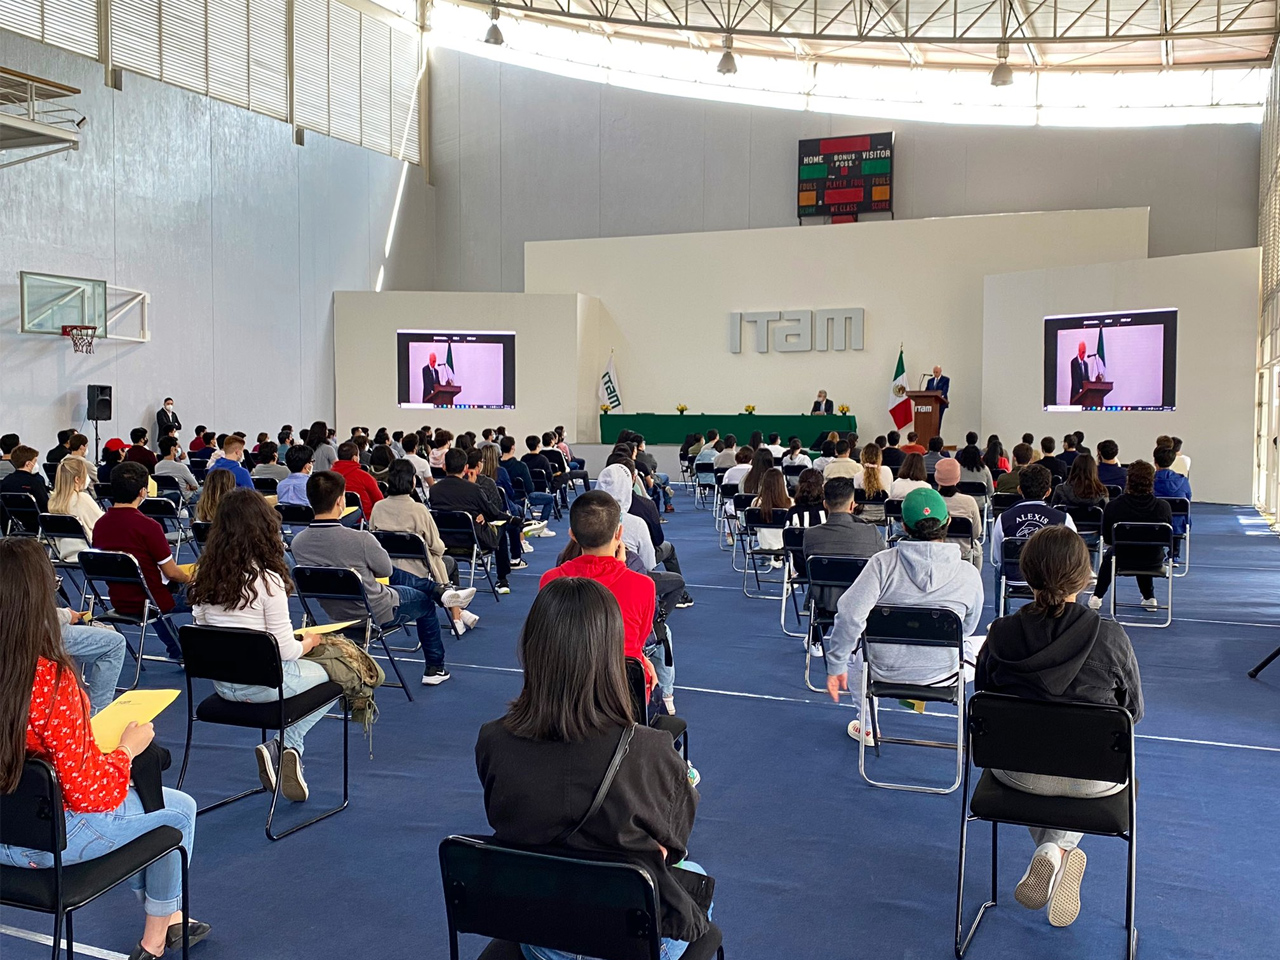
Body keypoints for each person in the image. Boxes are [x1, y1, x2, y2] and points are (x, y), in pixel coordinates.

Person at [475, 578, 710, 958]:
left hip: (537, 934)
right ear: (612, 654)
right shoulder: (649, 750)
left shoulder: (493, 740)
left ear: (532, 648)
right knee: (694, 875)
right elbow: (675, 846)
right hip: (629, 939)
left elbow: (506, 822)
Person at [0, 539, 208, 960]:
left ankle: (173, 918)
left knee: (151, 800)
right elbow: (91, 795)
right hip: (48, 840)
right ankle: (155, 940)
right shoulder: (51, 682)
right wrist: (126, 750)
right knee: (178, 809)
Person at [976, 525, 1143, 929]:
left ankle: (1051, 850)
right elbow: (1133, 712)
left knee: (1036, 753)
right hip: (1095, 779)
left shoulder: (1001, 634)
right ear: (1085, 577)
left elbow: (983, 703)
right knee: (1096, 759)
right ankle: (1059, 849)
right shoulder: (1111, 637)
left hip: (1015, 772)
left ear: (1027, 574)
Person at [189, 490, 331, 800]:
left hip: (223, 684)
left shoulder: (203, 576)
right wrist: (308, 642)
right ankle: (288, 745)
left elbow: (201, 630)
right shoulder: (268, 581)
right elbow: (286, 652)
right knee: (341, 673)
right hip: (267, 685)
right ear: (264, 528)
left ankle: (284, 749)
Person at [824, 488, 985, 744]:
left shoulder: (881, 564)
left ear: (904, 526)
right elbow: (967, 627)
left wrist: (836, 665)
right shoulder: (969, 574)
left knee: (855, 651)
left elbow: (850, 616)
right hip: (945, 672)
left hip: (882, 670)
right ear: (948, 522)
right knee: (987, 641)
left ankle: (868, 725)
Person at [291, 470, 475, 684]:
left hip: (333, 612)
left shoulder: (298, 543)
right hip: (374, 610)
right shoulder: (360, 539)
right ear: (340, 500)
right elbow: (386, 571)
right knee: (424, 602)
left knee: (395, 579)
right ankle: (435, 667)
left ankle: (439, 591)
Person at [540, 492, 656, 673]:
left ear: (572, 535)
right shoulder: (643, 585)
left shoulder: (550, 580)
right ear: (619, 533)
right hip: (622, 680)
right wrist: (620, 568)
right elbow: (639, 639)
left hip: (567, 679)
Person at [92, 462, 193, 659]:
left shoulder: (100, 525)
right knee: (211, 594)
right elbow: (172, 572)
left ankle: (178, 649)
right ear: (143, 491)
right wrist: (192, 579)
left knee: (151, 588)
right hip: (155, 601)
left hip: (120, 599)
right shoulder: (149, 527)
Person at [371, 460, 478, 634]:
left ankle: (459, 613)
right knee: (449, 563)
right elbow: (437, 547)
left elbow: (374, 541)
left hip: (388, 571)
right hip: (419, 572)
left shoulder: (378, 508)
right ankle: (456, 616)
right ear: (412, 481)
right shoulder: (418, 510)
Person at [428, 448, 514, 594]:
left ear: (444, 466)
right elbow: (493, 512)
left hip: (444, 542)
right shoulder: (473, 489)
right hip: (471, 542)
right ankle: (502, 578)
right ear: (465, 468)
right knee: (501, 528)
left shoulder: (434, 490)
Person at [1088, 461, 1172, 611]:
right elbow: (1167, 539)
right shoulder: (1163, 507)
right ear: (1152, 480)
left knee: (1111, 556)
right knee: (1143, 548)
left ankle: (1097, 597)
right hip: (1153, 559)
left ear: (1128, 480)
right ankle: (1149, 598)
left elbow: (1108, 539)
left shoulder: (1113, 506)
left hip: (1121, 558)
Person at [802, 477, 886, 619]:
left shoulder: (810, 535)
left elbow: (806, 569)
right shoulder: (871, 532)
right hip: (861, 605)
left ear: (825, 504)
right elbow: (883, 567)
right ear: (852, 505)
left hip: (823, 604)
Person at [991, 464, 1076, 571]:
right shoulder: (1064, 519)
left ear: (1019, 489)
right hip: (1050, 576)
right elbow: (1073, 553)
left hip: (1014, 576)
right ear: (1048, 492)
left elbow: (998, 556)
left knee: (999, 568)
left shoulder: (1004, 518)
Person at [47, 455, 103, 562]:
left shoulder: (53, 501)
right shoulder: (81, 498)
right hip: (89, 554)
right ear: (77, 479)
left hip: (65, 554)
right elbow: (103, 523)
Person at [330, 440, 383, 520]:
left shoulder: (327, 477)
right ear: (355, 458)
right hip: (362, 521)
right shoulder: (365, 477)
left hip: (334, 520)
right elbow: (379, 501)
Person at [751, 468, 792, 558]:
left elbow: (755, 527)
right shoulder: (790, 503)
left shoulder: (756, 502)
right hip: (783, 543)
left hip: (763, 543)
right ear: (782, 484)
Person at [1, 444, 51, 513]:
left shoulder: (6, 481)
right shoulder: (34, 482)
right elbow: (45, 505)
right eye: (35, 461)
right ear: (28, 464)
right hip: (35, 518)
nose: (36, 464)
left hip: (12, 518)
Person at [155, 437, 200, 505]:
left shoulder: (157, 466)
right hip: (184, 498)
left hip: (166, 497)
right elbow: (195, 486)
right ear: (172, 449)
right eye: (177, 447)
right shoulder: (181, 467)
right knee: (204, 490)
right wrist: (189, 485)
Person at [956, 444, 994, 508]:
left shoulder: (958, 469)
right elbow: (991, 490)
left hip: (962, 502)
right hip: (981, 503)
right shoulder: (985, 469)